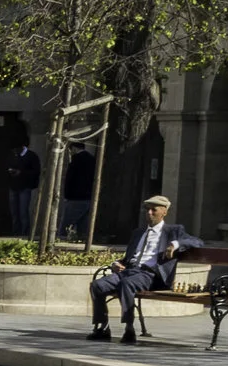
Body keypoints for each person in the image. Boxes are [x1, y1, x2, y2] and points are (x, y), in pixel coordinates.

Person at [90, 197, 202, 345]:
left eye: (153, 210)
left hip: (151, 275)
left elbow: (197, 242)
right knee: (97, 285)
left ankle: (129, 328)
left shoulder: (173, 231)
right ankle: (102, 327)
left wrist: (175, 244)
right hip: (129, 271)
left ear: (164, 212)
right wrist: (115, 264)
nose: (149, 213)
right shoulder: (138, 232)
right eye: (147, 209)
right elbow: (129, 258)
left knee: (126, 284)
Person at [57, 145, 97, 243]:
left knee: (66, 223)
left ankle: (60, 241)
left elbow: (70, 179)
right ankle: (82, 240)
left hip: (75, 197)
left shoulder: (76, 160)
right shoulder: (92, 159)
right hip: (89, 196)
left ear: (74, 148)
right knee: (83, 224)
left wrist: (67, 195)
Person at [8, 139, 44, 240]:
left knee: (23, 211)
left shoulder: (31, 156)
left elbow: (36, 171)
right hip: (13, 186)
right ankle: (15, 233)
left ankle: (24, 233)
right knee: (14, 212)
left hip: (25, 187)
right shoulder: (13, 155)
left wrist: (21, 172)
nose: (14, 152)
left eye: (16, 150)